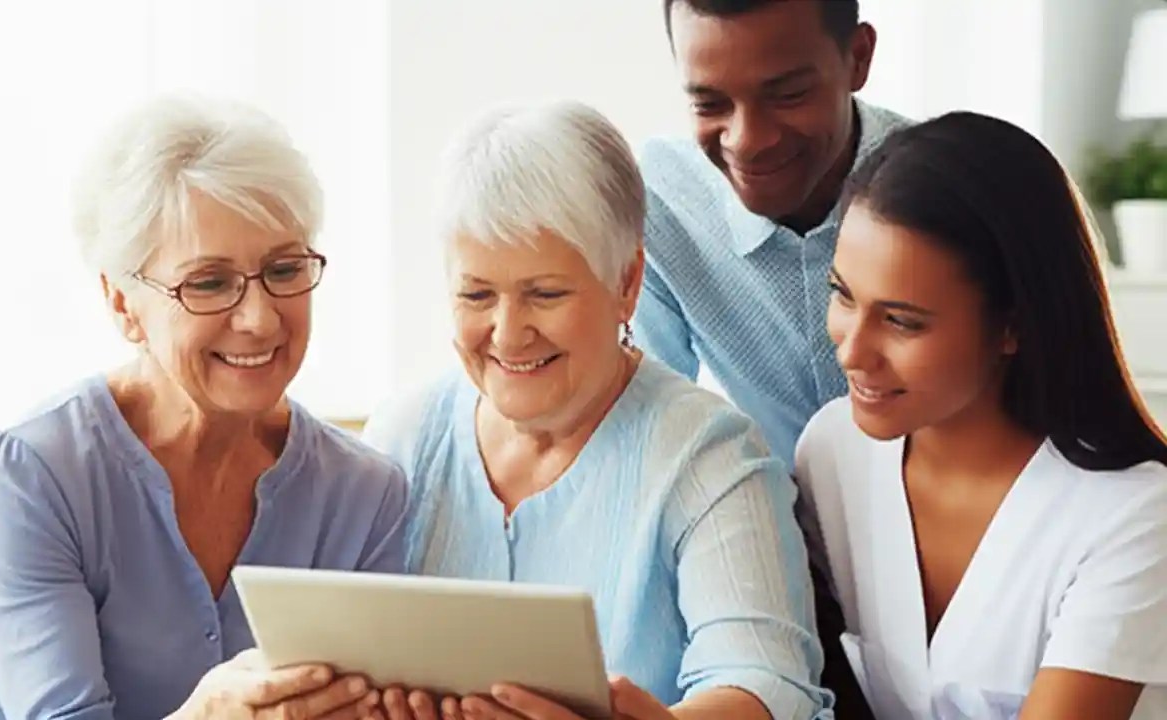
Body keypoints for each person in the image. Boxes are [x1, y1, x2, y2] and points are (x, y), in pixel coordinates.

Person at [0, 96, 406, 720]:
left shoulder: (365, 495)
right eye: (209, 282)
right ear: (123, 305)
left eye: (284, 269)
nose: (259, 318)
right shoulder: (33, 473)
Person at [363, 100, 830, 720]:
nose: (507, 334)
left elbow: (767, 686)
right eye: (476, 294)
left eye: (545, 294)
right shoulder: (405, 435)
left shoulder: (709, 455)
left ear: (627, 282)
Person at [794, 111, 1167, 719]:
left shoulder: (1133, 514)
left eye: (901, 321)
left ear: (1012, 325)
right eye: (843, 295)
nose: (851, 350)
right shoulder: (835, 451)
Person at [635, 0, 909, 470]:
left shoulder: (955, 196)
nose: (747, 141)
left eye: (789, 95)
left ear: (858, 58)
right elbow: (646, 430)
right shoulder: (659, 204)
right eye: (709, 104)